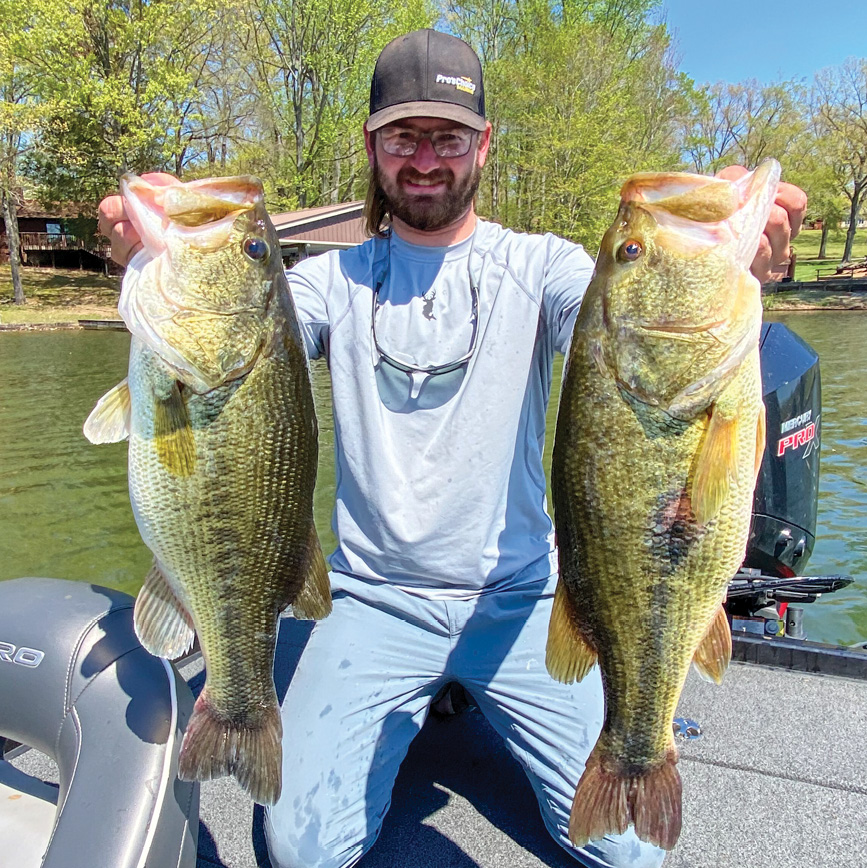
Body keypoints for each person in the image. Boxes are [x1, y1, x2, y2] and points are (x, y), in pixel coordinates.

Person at [99, 29, 807, 868]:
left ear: (484, 145)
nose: (425, 158)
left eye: (449, 136)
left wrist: (733, 270)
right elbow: (227, 348)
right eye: (403, 136)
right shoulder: (325, 284)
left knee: (628, 855)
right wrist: (155, 266)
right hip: (373, 601)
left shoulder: (543, 268)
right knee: (301, 851)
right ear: (371, 146)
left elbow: (641, 327)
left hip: (523, 600)